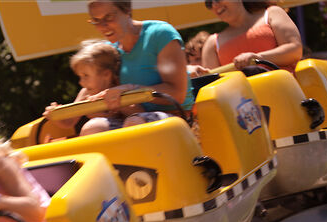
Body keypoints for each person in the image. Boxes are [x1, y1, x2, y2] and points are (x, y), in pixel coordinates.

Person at [82, 0, 195, 134]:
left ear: (127, 10)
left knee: (135, 123)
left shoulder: (160, 34)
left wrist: (131, 89)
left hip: (178, 118)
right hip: (134, 118)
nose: (103, 26)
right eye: (96, 20)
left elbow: (177, 94)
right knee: (92, 128)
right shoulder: (111, 51)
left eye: (109, 17)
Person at [44, 39, 167, 135]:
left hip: (125, 129)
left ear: (106, 74)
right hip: (102, 132)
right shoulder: (85, 93)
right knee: (92, 127)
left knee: (99, 125)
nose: (81, 82)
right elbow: (69, 121)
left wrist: (120, 105)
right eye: (80, 77)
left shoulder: (118, 89)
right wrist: (55, 116)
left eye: (85, 76)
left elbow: (140, 112)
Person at [200, 0, 302, 74]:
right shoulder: (212, 43)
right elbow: (211, 82)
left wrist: (258, 58)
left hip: (285, 93)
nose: (214, 4)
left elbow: (295, 50)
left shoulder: (271, 13)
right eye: (209, 2)